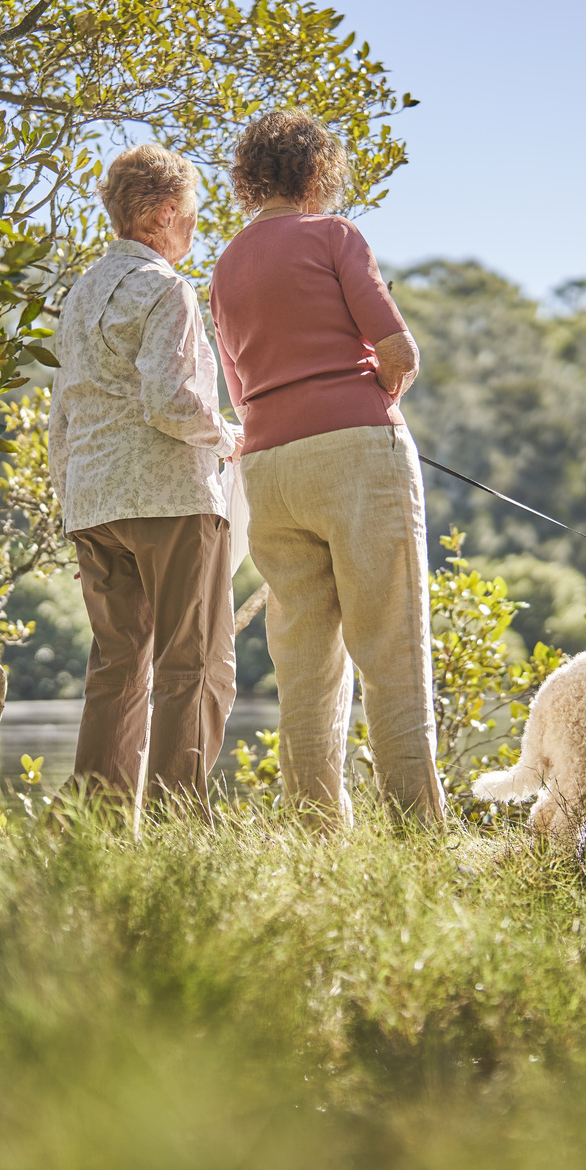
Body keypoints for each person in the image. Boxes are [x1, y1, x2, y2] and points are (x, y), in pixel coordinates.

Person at [208, 109, 446, 828]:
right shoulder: (335, 236)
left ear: (249, 179)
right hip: (356, 456)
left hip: (269, 467)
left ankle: (316, 838)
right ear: (319, 172)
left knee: (305, 671)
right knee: (392, 651)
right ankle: (417, 836)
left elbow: (238, 388)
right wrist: (375, 395)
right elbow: (398, 351)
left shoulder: (223, 267)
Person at [49, 144, 241, 818]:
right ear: (163, 213)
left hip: (94, 507)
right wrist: (232, 438)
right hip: (170, 500)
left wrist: (72, 510)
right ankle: (177, 826)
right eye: (191, 213)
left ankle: (95, 830)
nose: (194, 227)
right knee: (197, 665)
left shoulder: (79, 294)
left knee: (117, 671)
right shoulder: (168, 288)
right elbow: (170, 402)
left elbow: (62, 414)